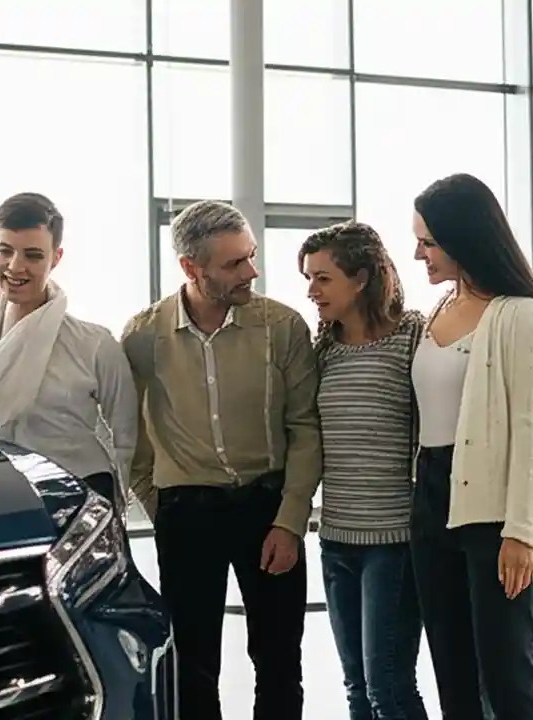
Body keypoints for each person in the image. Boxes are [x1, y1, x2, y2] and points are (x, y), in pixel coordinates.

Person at [121, 199, 321, 720]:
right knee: (192, 663)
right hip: (187, 514)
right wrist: (159, 502)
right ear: (192, 268)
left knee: (279, 660)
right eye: (234, 263)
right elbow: (130, 435)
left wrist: (291, 520)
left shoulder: (283, 327)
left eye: (250, 256)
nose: (250, 271)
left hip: (268, 510)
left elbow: (305, 428)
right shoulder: (143, 336)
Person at [408, 173, 533, 719]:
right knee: (453, 675)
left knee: (507, 677)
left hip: (495, 511)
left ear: (462, 236)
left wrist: (522, 533)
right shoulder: (436, 312)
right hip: (431, 503)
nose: (418, 253)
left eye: (428, 241)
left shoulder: (519, 313)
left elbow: (531, 430)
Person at [300, 221, 428, 720]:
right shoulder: (323, 349)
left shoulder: (412, 335)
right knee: (356, 686)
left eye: (322, 278)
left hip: (392, 543)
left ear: (361, 278)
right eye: (309, 278)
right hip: (336, 541)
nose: (311, 291)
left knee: (389, 687)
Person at [0, 191, 136, 506]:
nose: (16, 267)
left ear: (55, 258)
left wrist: (113, 508)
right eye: (5, 251)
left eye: (33, 255)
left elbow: (126, 435)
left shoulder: (94, 344)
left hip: (77, 493)